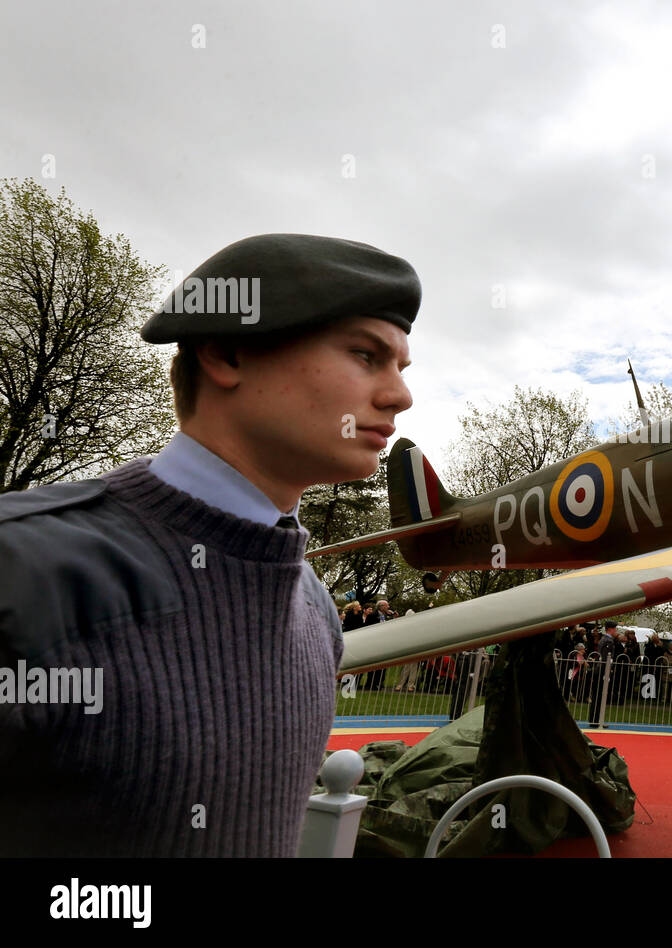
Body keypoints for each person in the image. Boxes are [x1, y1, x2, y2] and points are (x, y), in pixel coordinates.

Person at [0, 233, 419, 856]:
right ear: (226, 353)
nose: (400, 396)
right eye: (365, 355)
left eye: (401, 368)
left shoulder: (314, 607)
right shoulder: (23, 569)